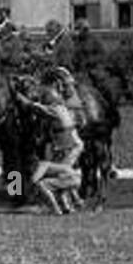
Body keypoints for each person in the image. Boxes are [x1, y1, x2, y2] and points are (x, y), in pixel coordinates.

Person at [15, 84, 84, 214]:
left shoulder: (55, 110)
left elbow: (35, 107)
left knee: (60, 175)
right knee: (61, 174)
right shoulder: (61, 108)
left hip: (69, 147)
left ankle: (68, 203)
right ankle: (69, 204)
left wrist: (20, 97)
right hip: (67, 147)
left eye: (44, 99)